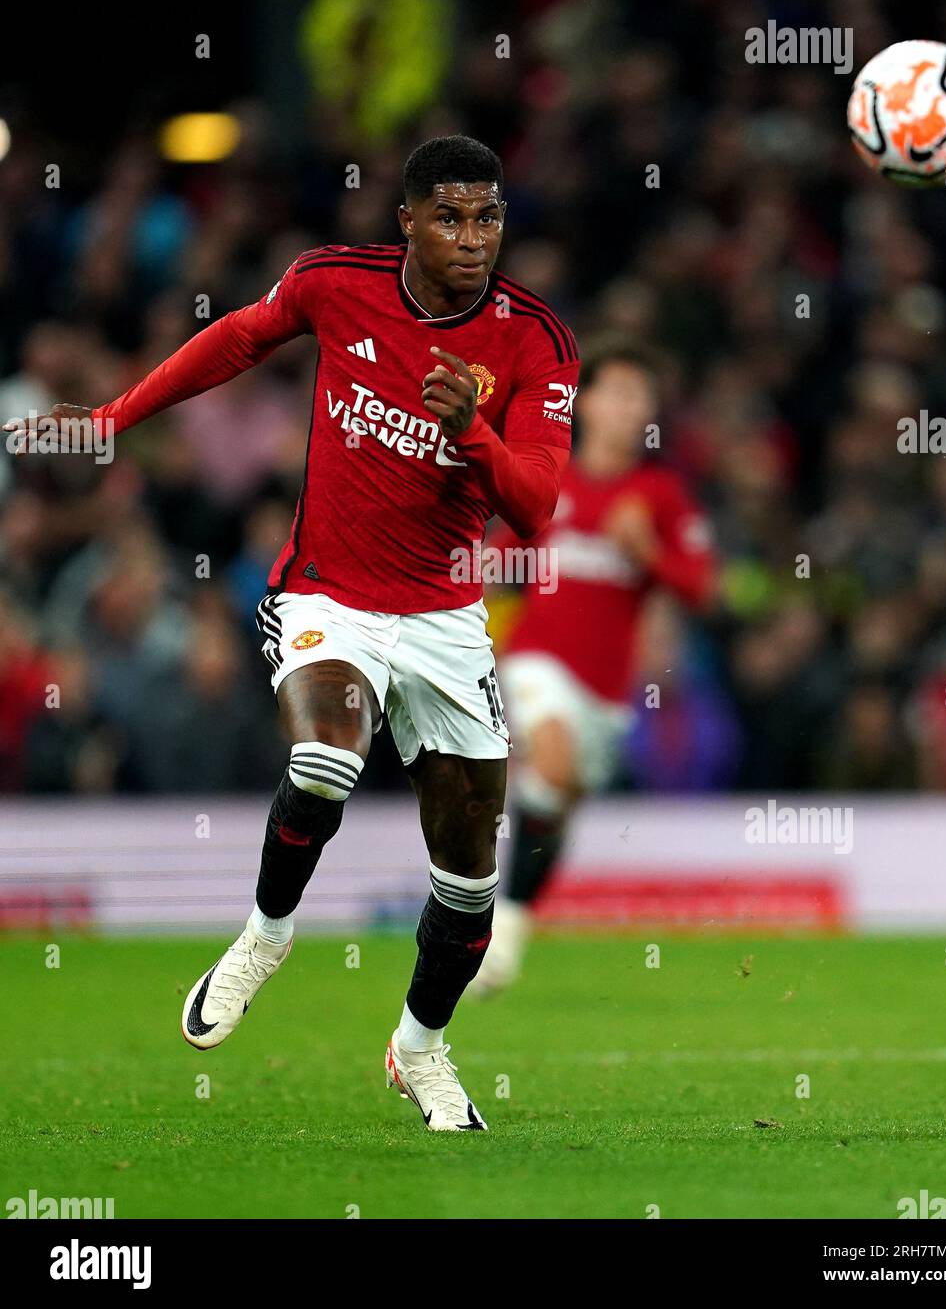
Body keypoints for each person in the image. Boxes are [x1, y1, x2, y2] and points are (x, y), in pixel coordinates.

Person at [4, 135, 579, 1132]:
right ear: (406, 221)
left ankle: (421, 1048)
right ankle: (266, 936)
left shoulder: (537, 341)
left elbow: (534, 506)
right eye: (448, 215)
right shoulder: (334, 283)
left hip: (446, 621)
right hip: (328, 595)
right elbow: (231, 340)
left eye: (488, 217)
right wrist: (110, 419)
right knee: (326, 751)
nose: (472, 237)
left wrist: (472, 433)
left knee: (470, 885)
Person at [471, 340, 715, 996]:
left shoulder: (661, 497)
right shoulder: (548, 482)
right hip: (536, 662)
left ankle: (503, 927)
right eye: (622, 392)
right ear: (588, 403)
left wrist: (647, 555)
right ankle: (486, 925)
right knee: (550, 764)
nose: (633, 408)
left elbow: (701, 587)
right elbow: (494, 566)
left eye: (644, 397)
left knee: (555, 807)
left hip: (609, 694)